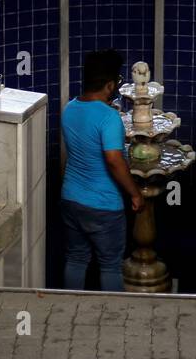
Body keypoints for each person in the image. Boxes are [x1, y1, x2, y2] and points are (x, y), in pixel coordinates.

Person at [60, 49, 144, 292]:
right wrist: (135, 194)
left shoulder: (69, 109)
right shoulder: (109, 118)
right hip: (104, 206)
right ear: (109, 86)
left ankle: (69, 307)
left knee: (76, 258)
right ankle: (111, 318)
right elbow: (114, 160)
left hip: (71, 198)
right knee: (110, 265)